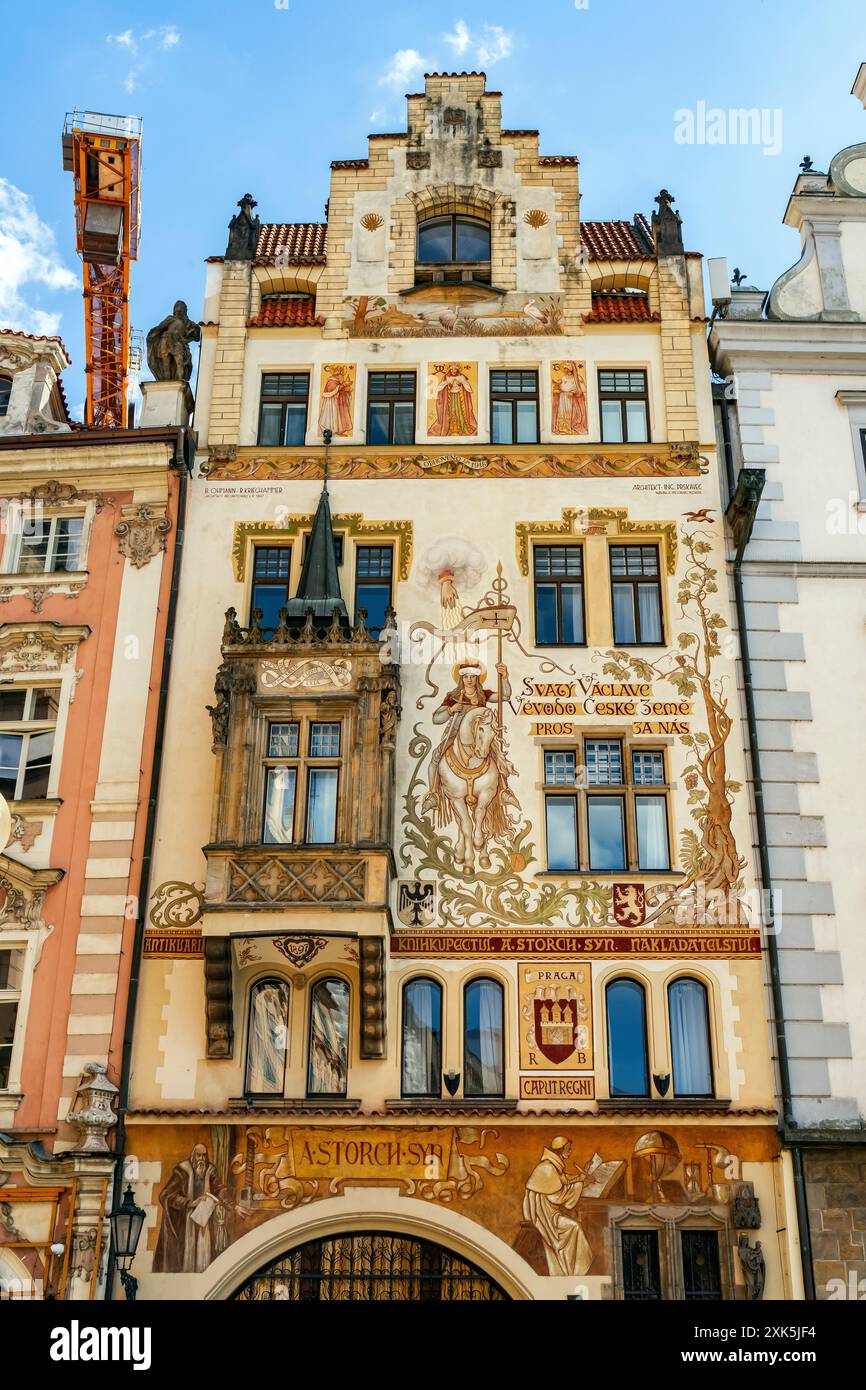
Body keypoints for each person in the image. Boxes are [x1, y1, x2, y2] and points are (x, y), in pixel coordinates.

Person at [153, 1142, 233, 1274]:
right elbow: (165, 1195)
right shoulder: (182, 1171)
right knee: (185, 1259)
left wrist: (233, 1206)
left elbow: (220, 1189)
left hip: (204, 1223)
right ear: (193, 1156)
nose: (201, 1159)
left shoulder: (210, 1170)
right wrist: (190, 1202)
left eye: (204, 1156)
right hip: (184, 1225)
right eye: (198, 1155)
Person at [523, 1136, 593, 1276]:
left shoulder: (552, 1166)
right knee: (574, 1227)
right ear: (560, 1150)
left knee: (574, 1225)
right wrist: (580, 1184)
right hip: (546, 1217)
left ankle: (573, 1268)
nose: (570, 1151)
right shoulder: (547, 1169)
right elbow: (558, 1197)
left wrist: (580, 1178)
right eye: (568, 1149)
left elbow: (563, 1179)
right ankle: (576, 1271)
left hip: (551, 1213)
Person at [430, 366, 478, 436]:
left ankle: (461, 427)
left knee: (460, 411)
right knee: (451, 411)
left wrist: (461, 385)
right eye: (452, 369)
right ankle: (450, 428)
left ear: (457, 370)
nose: (453, 371)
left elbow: (467, 385)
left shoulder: (461, 377)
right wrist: (448, 385)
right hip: (450, 397)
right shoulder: (447, 377)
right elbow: (440, 386)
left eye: (455, 369)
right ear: (450, 370)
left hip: (459, 396)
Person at [318, 368, 354, 436]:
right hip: (333, 404)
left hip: (339, 403)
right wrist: (344, 385)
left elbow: (340, 390)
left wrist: (347, 390)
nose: (342, 378)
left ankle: (339, 431)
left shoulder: (338, 382)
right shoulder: (331, 381)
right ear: (337, 376)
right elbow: (333, 391)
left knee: (339, 417)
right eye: (341, 376)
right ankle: (331, 431)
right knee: (334, 417)